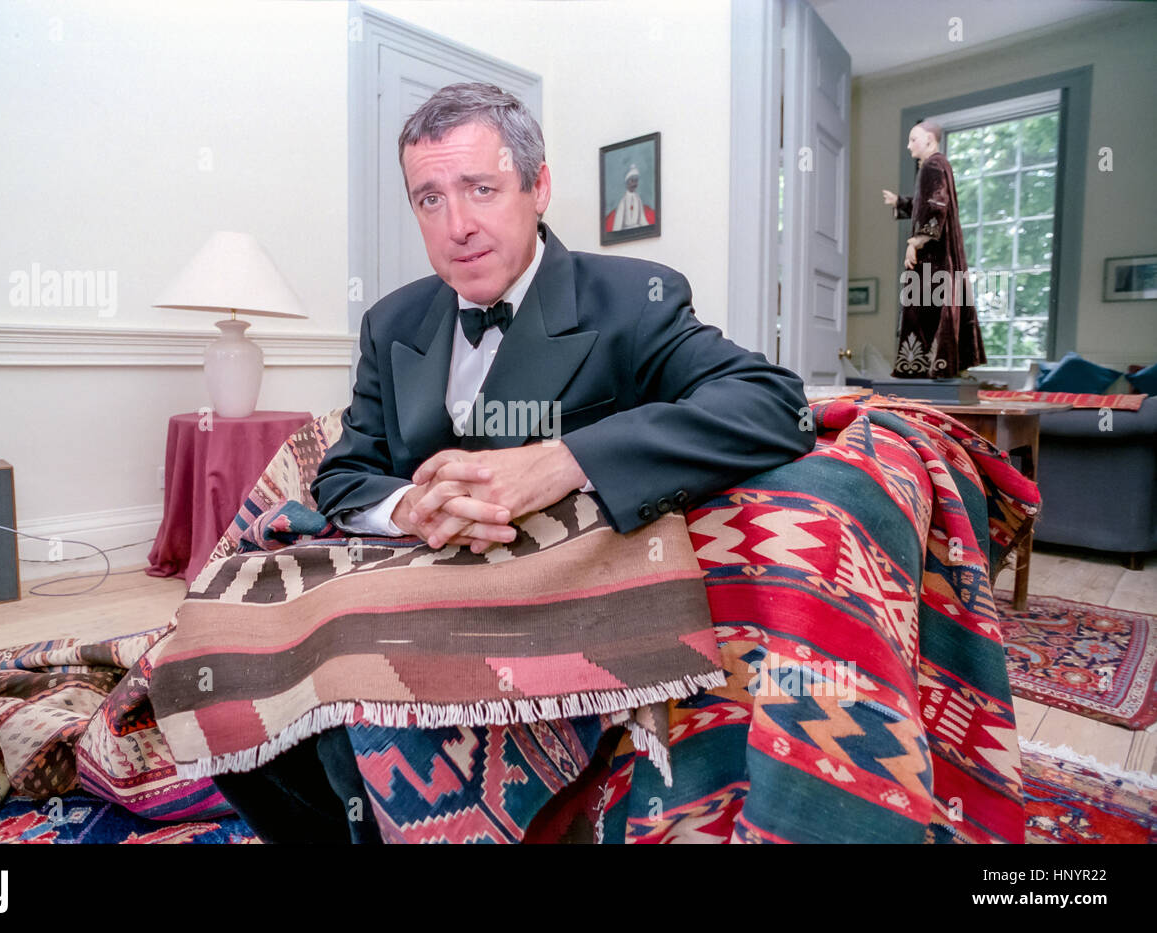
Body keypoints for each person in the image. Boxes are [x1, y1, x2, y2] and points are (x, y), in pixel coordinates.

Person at [212, 82, 814, 843]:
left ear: (539, 187)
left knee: (348, 702)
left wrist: (564, 460)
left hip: (552, 615)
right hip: (407, 590)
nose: (456, 226)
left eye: (481, 189)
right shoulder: (391, 321)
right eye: (429, 199)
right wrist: (406, 507)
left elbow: (771, 402)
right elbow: (344, 471)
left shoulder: (632, 299)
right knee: (230, 674)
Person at [881, 119, 986, 378]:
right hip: (944, 255)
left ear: (929, 139)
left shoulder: (932, 164)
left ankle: (924, 372)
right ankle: (945, 367)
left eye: (913, 139)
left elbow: (936, 204)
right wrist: (900, 202)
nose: (908, 146)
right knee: (938, 305)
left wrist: (914, 243)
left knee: (923, 309)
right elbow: (927, 202)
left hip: (934, 257)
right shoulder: (941, 165)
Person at [606, 163, 654, 231]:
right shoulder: (623, 201)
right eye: (632, 181)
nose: (634, 183)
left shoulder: (638, 199)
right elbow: (617, 224)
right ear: (627, 182)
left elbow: (642, 219)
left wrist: (649, 230)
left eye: (636, 181)